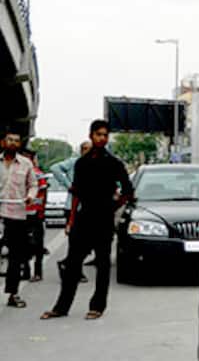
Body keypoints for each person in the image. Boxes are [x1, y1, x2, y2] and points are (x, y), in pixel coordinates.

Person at [41, 119, 133, 320]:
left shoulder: (114, 163)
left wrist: (113, 206)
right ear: (91, 135)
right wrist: (71, 220)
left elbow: (127, 191)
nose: (102, 138)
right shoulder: (82, 163)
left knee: (102, 265)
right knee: (73, 264)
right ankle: (61, 307)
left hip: (104, 220)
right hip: (83, 219)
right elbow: (76, 195)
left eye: (105, 135)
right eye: (98, 134)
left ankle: (97, 306)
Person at [0, 130, 38, 308]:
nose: (13, 143)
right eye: (10, 140)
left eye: (16, 141)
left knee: (15, 257)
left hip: (16, 214)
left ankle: (13, 294)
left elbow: (33, 185)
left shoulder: (26, 164)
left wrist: (30, 196)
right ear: (3, 143)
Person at [57, 139, 94, 282]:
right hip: (73, 208)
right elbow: (55, 168)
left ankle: (66, 263)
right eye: (85, 148)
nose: (88, 151)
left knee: (88, 242)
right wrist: (68, 185)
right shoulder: (74, 162)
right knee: (76, 242)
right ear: (81, 150)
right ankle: (76, 271)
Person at [22, 149, 48, 281]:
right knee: (21, 244)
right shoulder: (18, 172)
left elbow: (43, 194)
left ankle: (38, 272)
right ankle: (25, 270)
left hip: (35, 213)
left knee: (38, 244)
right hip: (20, 213)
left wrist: (40, 210)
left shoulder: (38, 174)